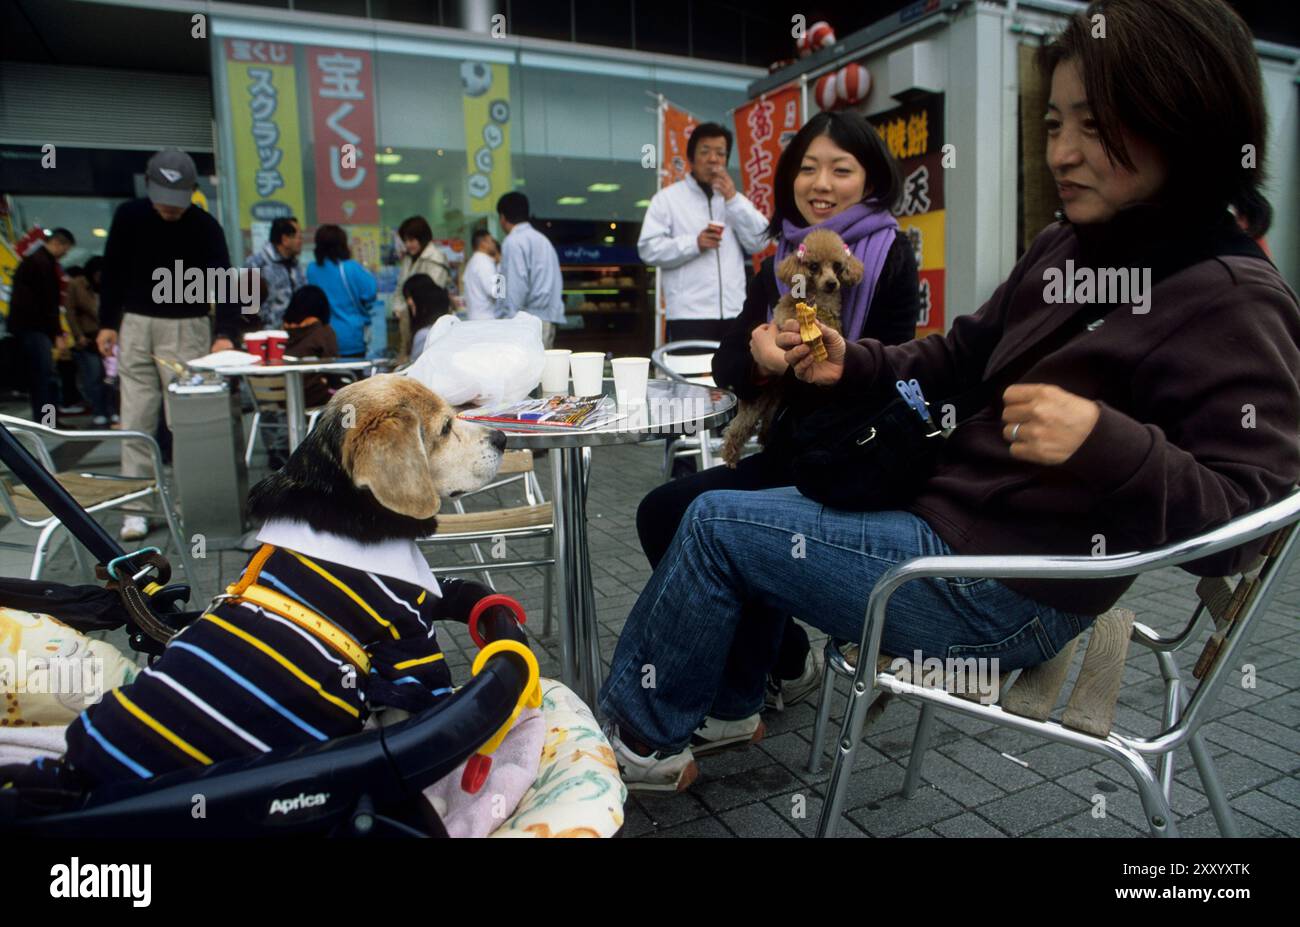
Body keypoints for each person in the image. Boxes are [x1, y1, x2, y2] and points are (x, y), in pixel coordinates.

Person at [598, 0, 1300, 792]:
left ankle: (633, 744)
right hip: (945, 522)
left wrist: (1107, 441)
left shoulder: (1233, 295)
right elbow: (961, 353)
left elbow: (1243, 525)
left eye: (1096, 127)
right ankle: (714, 708)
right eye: (1054, 124)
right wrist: (852, 361)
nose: (1063, 153)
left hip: (1006, 589)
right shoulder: (1069, 242)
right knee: (709, 506)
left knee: (714, 521)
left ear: (1188, 120)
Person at [637, 110, 920, 721]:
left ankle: (739, 696)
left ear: (869, 179)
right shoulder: (778, 262)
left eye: (840, 169)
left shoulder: (891, 253)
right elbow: (726, 361)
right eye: (807, 168)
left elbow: (901, 365)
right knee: (661, 512)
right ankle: (788, 661)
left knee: (729, 524)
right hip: (790, 452)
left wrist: (836, 363)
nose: (821, 183)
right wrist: (764, 360)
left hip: (856, 460)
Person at [97, 149, 242, 541]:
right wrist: (107, 323)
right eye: (163, 199)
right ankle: (136, 508)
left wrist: (225, 331)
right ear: (149, 186)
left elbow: (225, 281)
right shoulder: (128, 216)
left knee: (187, 421)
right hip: (136, 325)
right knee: (136, 416)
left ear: (192, 191)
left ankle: (191, 504)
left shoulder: (205, 226)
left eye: (178, 201)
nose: (170, 209)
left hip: (188, 327)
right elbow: (112, 270)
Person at [638, 122, 770, 344]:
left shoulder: (734, 200)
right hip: (688, 314)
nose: (713, 159)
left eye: (720, 153)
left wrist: (733, 200)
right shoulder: (667, 199)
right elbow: (648, 249)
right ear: (691, 159)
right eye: (705, 152)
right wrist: (694, 244)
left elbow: (760, 241)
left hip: (735, 310)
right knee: (688, 377)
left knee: (735, 378)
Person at [8, 229, 74, 423]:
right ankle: (47, 421)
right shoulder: (41, 264)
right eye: (65, 249)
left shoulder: (35, 262)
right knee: (44, 379)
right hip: (36, 329)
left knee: (44, 378)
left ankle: (48, 420)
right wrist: (57, 333)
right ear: (57, 243)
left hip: (31, 329)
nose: (65, 254)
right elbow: (48, 304)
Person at [494, 192, 564, 348]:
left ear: (502, 218)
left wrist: (509, 321)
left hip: (525, 324)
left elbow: (515, 286)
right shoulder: (543, 240)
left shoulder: (512, 242)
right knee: (544, 370)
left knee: (524, 371)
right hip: (547, 319)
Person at [305, 224, 378, 359]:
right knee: (354, 378)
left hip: (322, 337)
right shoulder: (350, 268)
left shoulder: (311, 270)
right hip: (351, 338)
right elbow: (371, 292)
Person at [390, 216, 451, 362]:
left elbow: (431, 297)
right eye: (405, 241)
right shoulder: (408, 259)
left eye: (412, 240)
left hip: (426, 323)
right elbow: (400, 288)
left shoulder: (436, 259)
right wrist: (398, 308)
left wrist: (408, 307)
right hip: (408, 321)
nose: (408, 245)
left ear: (422, 238)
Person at [63, 257, 114, 427]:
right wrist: (78, 336)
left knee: (112, 377)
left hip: (109, 337)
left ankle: (113, 411)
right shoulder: (77, 285)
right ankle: (99, 411)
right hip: (87, 337)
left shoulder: (109, 285)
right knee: (93, 377)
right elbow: (70, 312)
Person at [282, 285, 339, 408]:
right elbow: (334, 369)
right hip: (312, 397)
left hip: (280, 397)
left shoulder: (280, 334)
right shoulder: (323, 332)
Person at [245, 216, 305, 329]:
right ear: (285, 240)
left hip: (294, 333)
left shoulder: (295, 265)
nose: (301, 242)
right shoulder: (256, 263)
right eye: (299, 237)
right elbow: (248, 306)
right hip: (267, 334)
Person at [402, 273, 452, 360]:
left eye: (412, 306)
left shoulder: (424, 335)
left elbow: (414, 367)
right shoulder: (451, 326)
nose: (412, 312)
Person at [461, 228, 500, 321]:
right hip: (486, 319)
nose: (494, 244)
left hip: (476, 317)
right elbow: (496, 292)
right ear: (483, 243)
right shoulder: (484, 262)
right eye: (491, 241)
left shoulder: (474, 261)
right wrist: (500, 266)